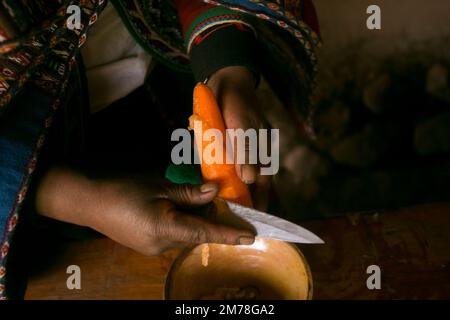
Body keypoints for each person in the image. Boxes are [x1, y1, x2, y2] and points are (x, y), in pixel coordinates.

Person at [0, 0, 320, 299]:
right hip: (26, 189)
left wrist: (226, 69)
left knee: (248, 208)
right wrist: (74, 200)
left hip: (177, 77)